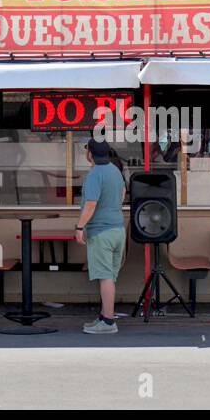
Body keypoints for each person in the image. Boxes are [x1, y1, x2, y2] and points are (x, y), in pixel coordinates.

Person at [76, 138, 126, 335]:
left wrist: (80, 227)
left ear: (90, 154)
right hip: (118, 230)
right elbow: (122, 192)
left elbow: (90, 204)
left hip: (101, 232)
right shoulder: (115, 170)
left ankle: (107, 322)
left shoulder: (95, 174)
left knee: (104, 278)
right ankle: (105, 315)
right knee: (110, 277)